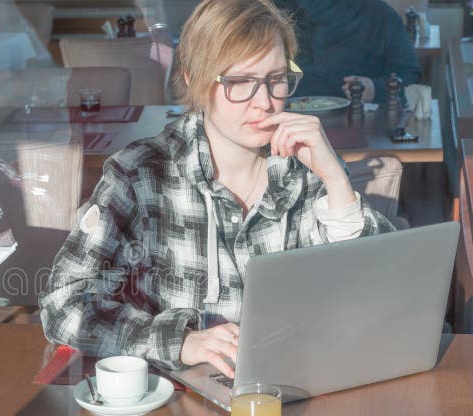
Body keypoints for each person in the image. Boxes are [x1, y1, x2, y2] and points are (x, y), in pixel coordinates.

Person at [39, 0, 394, 377]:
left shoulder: (309, 167)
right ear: (194, 79)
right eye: (240, 82)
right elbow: (64, 304)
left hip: (297, 388)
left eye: (276, 79)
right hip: (177, 405)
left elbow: (383, 296)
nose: (265, 101)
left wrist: (337, 183)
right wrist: (182, 341)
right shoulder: (143, 174)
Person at [276, 0, 421, 104]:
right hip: (284, 124)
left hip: (362, 126)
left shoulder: (378, 14)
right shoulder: (271, 12)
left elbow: (410, 77)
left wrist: (375, 89)